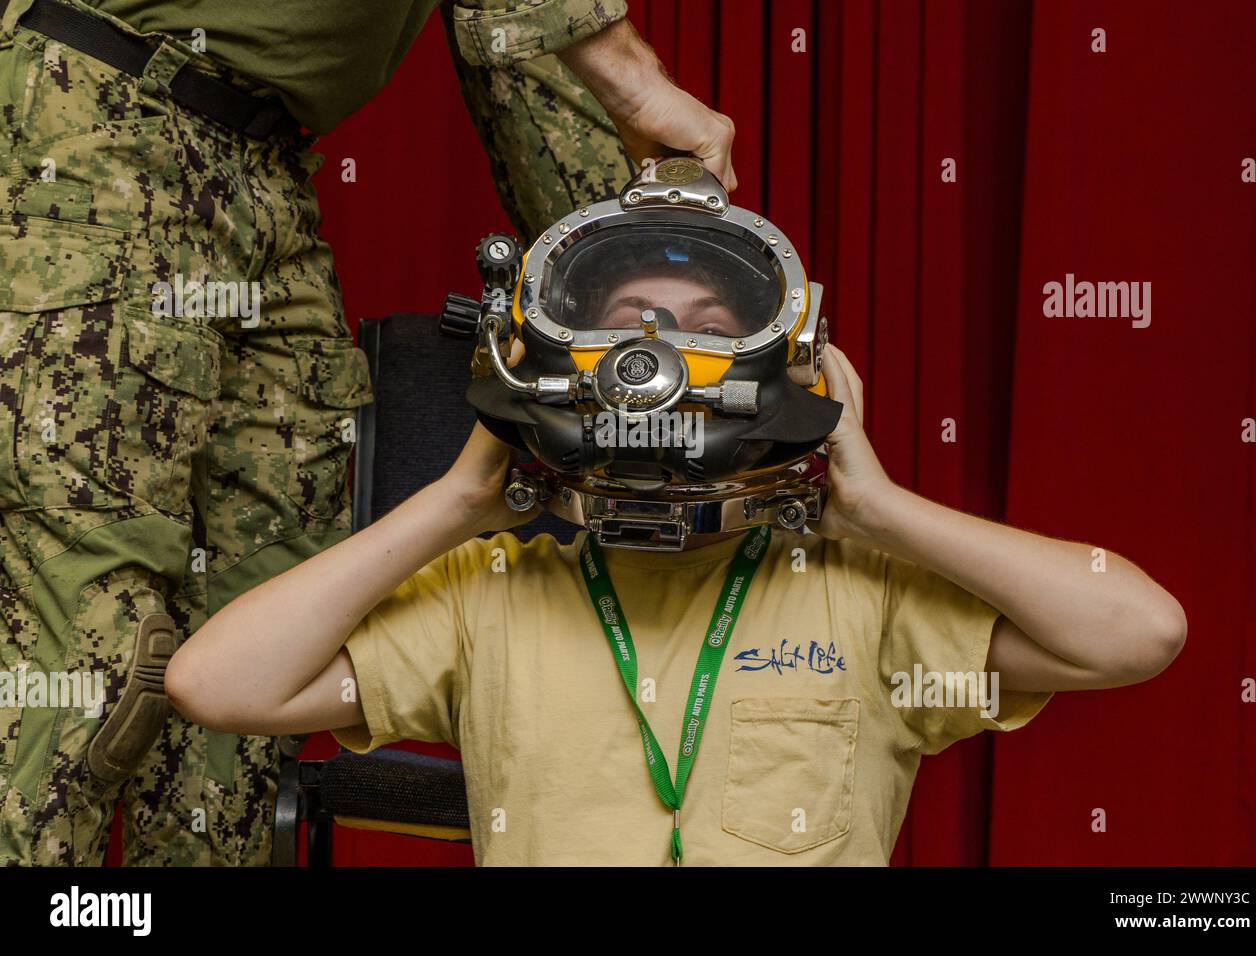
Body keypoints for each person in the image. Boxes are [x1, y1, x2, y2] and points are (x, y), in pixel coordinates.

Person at [166, 160, 1188, 863]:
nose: (664, 352)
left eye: (708, 327)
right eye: (633, 325)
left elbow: (1137, 630)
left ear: (792, 361)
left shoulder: (866, 596)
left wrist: (877, 509)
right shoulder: (486, 594)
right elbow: (215, 683)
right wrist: (456, 501)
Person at [0, 0, 735, 865]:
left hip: (266, 167)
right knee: (91, 640)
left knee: (258, 644)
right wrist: (632, 73)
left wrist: (656, 300)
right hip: (100, 121)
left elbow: (517, 49)